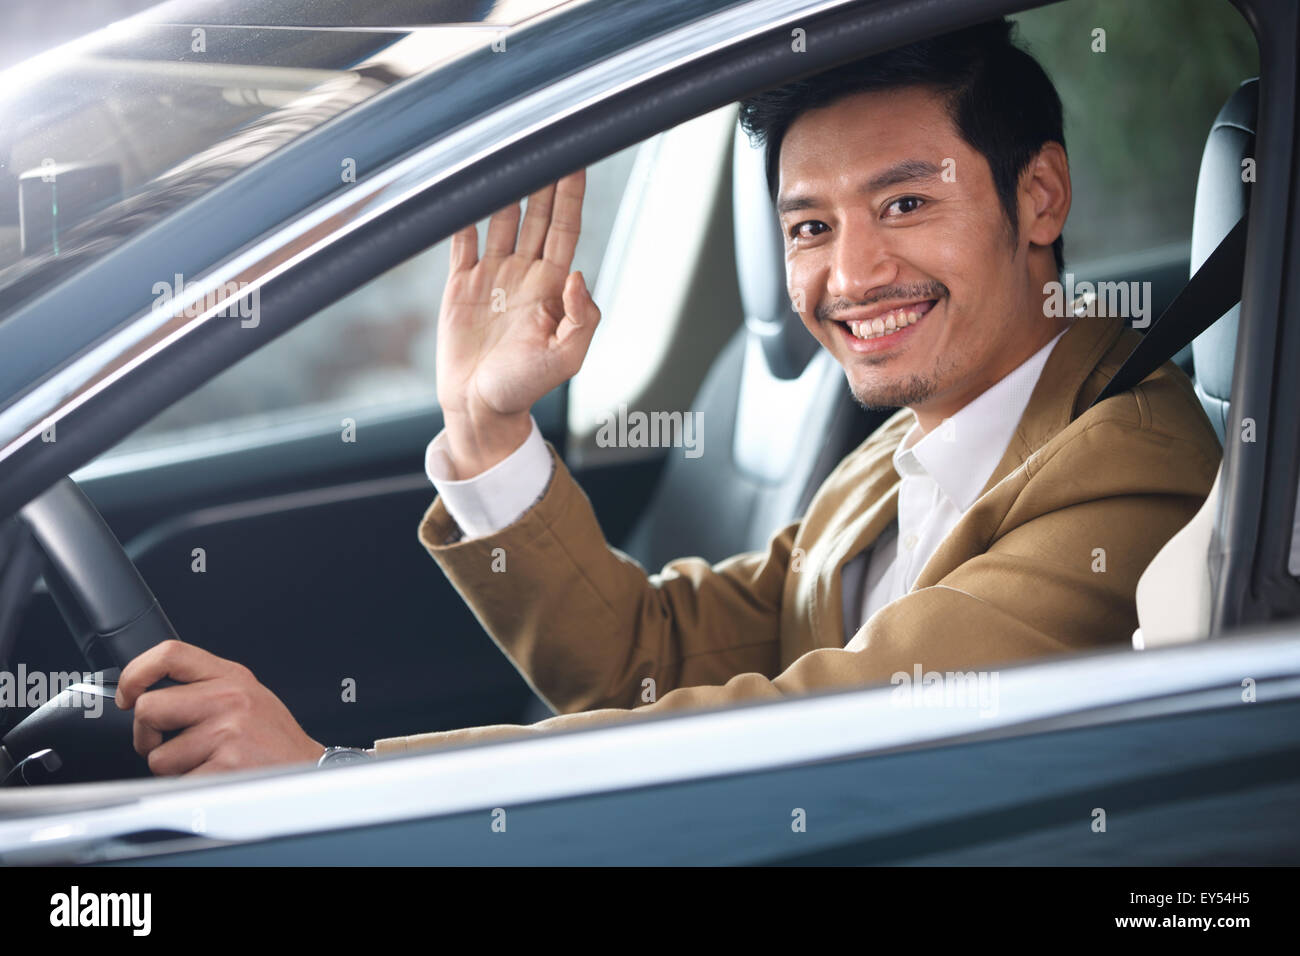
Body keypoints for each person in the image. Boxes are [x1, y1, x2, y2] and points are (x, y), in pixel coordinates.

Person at [115, 18, 1221, 775]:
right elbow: (649, 660)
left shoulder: (1128, 465)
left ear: (1039, 195)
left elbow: (818, 729)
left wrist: (330, 776)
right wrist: (489, 423)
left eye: (903, 203)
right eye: (809, 227)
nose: (850, 276)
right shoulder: (898, 451)